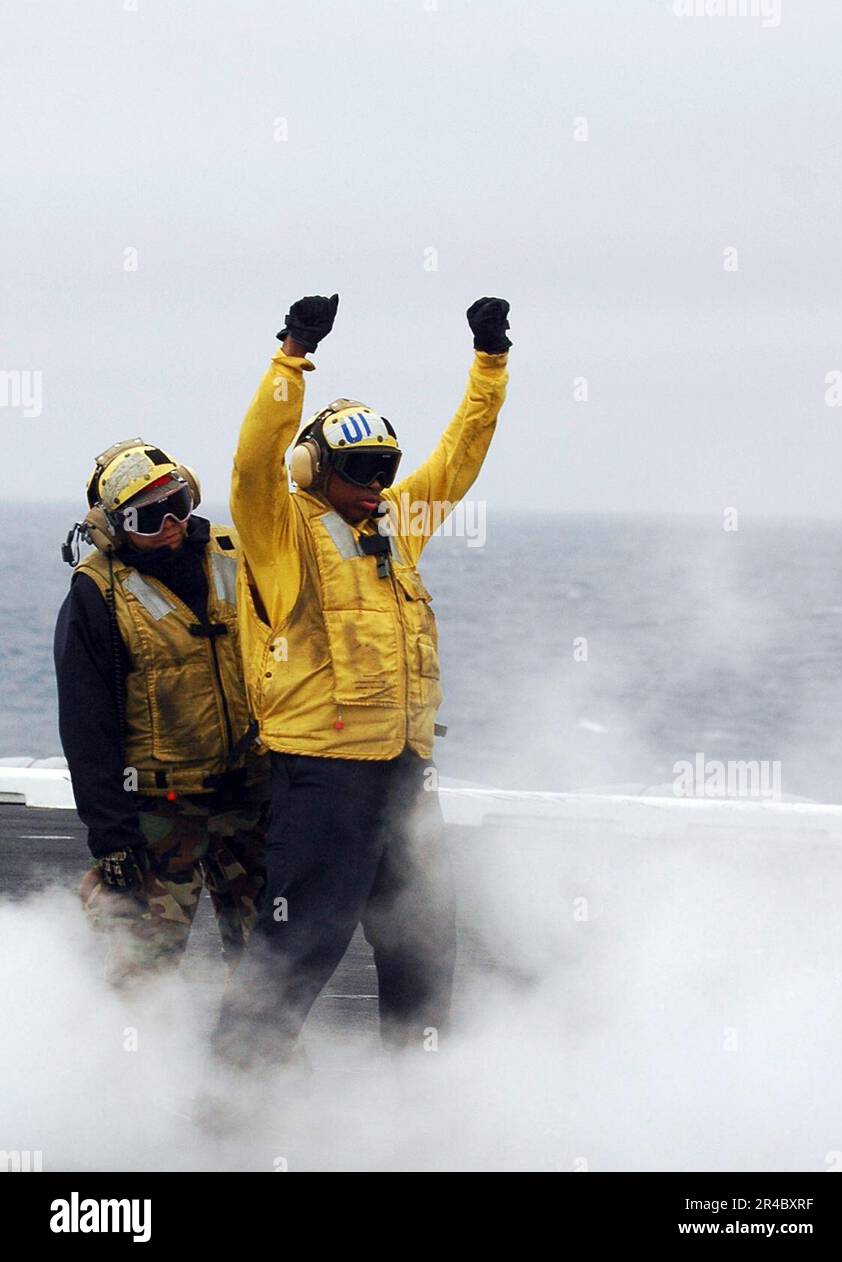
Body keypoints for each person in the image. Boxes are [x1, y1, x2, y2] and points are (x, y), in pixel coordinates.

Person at [214, 292, 511, 1064]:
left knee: (421, 939)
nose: (379, 481)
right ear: (314, 468)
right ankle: (233, 1102)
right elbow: (252, 462)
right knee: (299, 942)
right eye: (360, 469)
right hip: (322, 777)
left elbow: (458, 458)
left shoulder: (393, 530)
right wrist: (292, 355)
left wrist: (490, 363)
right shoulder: (281, 533)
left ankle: (410, 1096)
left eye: (385, 466)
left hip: (404, 774)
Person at [54, 439, 269, 982]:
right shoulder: (96, 593)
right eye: (149, 518)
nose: (170, 524)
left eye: (178, 503)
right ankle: (134, 1065)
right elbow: (87, 728)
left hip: (250, 799)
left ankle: (264, 1065)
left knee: (270, 971)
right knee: (139, 975)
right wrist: (112, 840)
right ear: (113, 526)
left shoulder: (236, 553)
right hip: (158, 811)